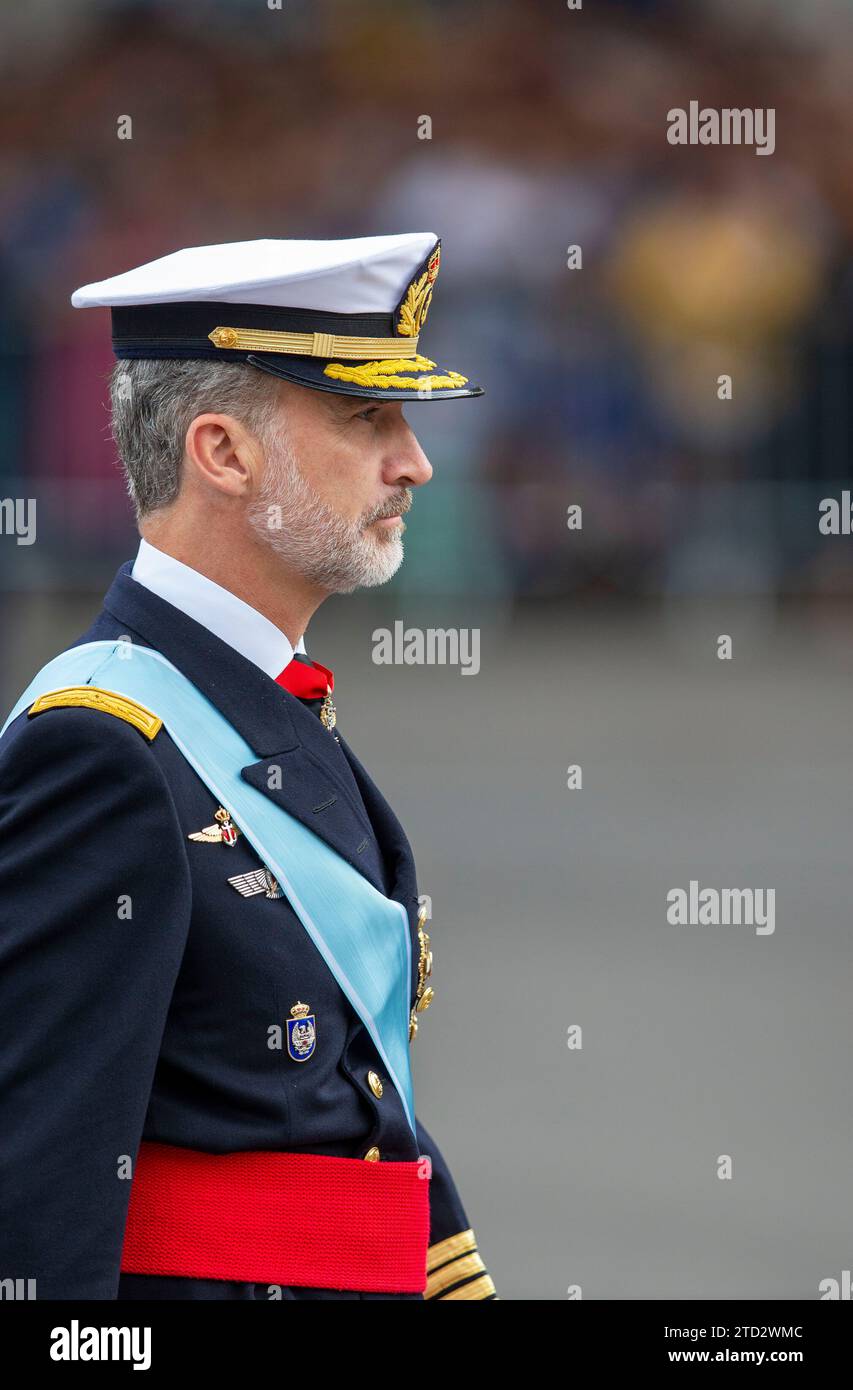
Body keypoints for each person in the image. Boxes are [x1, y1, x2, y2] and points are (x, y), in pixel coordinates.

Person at [0, 233, 496, 1301]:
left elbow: (356, 1098)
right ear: (222, 454)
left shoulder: (260, 696)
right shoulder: (98, 746)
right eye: (369, 419)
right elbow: (39, 1173)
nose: (414, 462)